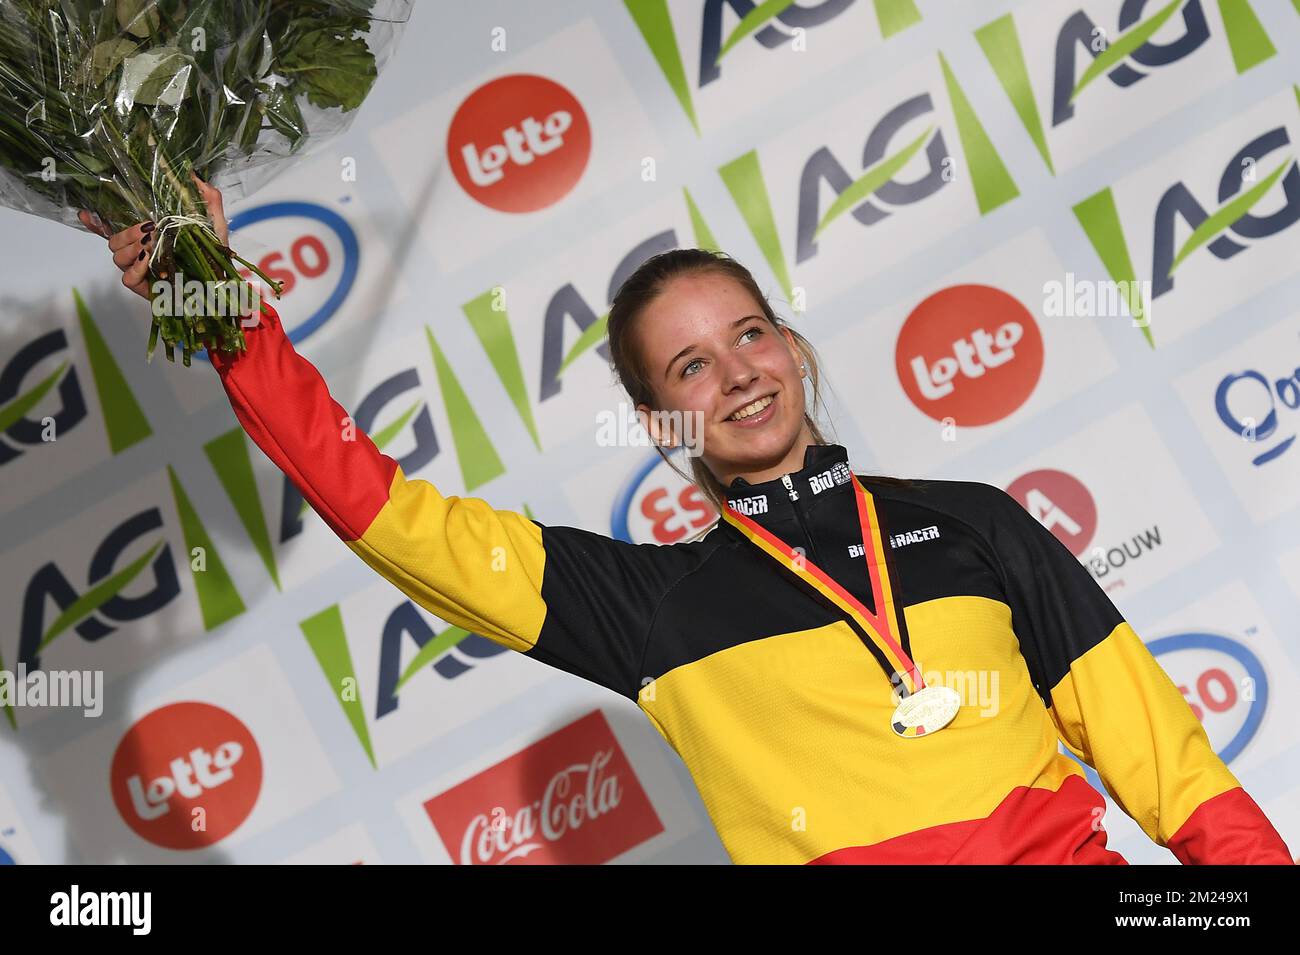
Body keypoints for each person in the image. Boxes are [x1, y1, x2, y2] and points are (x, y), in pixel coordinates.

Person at [80, 183, 1295, 866]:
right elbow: (386, 513)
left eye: (750, 336)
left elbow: (1161, 759)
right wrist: (217, 303)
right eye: (690, 368)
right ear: (660, 421)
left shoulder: (971, 524)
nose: (739, 377)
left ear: (793, 346)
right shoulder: (650, 606)